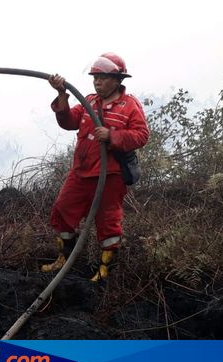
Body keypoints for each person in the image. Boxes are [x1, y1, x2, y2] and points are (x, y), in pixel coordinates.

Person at [42, 53, 149, 283]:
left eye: (101, 78)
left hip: (110, 176)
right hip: (81, 172)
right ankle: (65, 260)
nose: (97, 82)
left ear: (117, 80)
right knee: (62, 211)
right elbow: (68, 122)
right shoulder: (89, 101)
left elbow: (141, 136)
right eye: (95, 78)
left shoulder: (130, 106)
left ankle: (105, 271)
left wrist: (112, 135)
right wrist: (61, 94)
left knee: (108, 221)